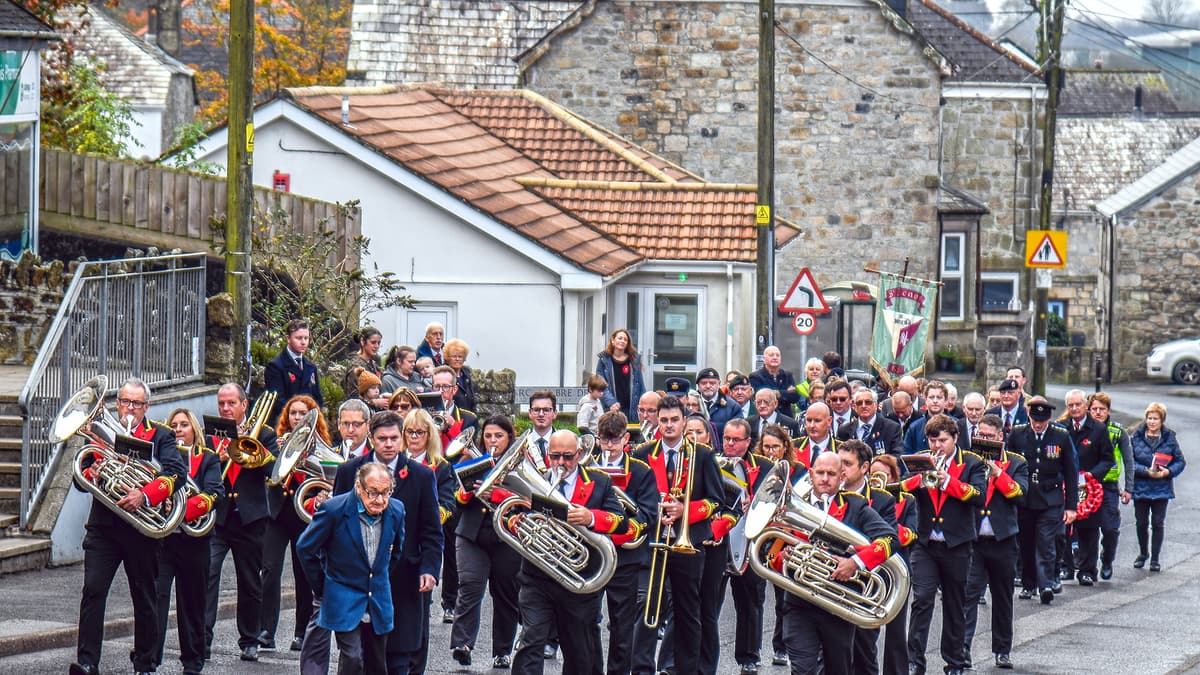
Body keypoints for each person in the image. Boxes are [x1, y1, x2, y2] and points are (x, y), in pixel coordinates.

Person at [311, 410, 443, 675]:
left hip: (404, 576)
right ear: (371, 438)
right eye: (382, 438)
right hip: (356, 581)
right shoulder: (350, 471)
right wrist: (329, 576)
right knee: (356, 656)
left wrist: (429, 569)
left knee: (399, 657)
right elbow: (335, 524)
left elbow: (431, 530)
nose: (389, 444)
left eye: (395, 438)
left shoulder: (421, 475)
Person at [71, 378, 186, 675]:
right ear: (117, 403)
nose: (129, 408)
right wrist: (92, 471)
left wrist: (145, 494)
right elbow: (79, 478)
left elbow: (176, 474)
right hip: (104, 528)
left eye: (136, 403)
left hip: (140, 530)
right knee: (93, 591)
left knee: (144, 595)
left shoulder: (161, 435)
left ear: (146, 406)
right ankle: (87, 662)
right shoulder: (100, 434)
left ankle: (145, 662)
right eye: (124, 401)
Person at [511, 429, 629, 675]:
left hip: (579, 582)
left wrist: (590, 517)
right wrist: (517, 523)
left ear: (580, 454)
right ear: (547, 454)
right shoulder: (535, 480)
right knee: (530, 640)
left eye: (567, 457)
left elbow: (621, 521)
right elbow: (511, 513)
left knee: (579, 651)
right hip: (537, 578)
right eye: (555, 457)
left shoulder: (599, 482)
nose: (561, 463)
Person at [773, 452, 898, 675]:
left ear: (842, 477)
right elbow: (770, 553)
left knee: (838, 669)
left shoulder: (856, 506)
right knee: (803, 670)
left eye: (831, 474)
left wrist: (856, 563)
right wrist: (786, 558)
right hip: (799, 604)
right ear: (811, 474)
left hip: (838, 607)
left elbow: (890, 539)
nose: (824, 478)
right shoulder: (791, 506)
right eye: (820, 473)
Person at [630, 395, 724, 675]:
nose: (669, 425)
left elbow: (715, 500)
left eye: (674, 420)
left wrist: (684, 510)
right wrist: (653, 510)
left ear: (684, 421)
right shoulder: (643, 453)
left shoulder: (703, 454)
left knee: (687, 612)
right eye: (664, 420)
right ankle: (642, 668)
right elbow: (632, 498)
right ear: (656, 421)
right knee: (646, 608)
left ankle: (686, 669)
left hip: (688, 542)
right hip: (652, 543)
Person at [297, 461, 406, 675]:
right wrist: (323, 585)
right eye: (373, 493)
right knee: (353, 657)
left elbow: (396, 552)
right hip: (342, 595)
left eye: (386, 492)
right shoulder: (334, 509)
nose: (380, 500)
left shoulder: (397, 510)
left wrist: (378, 578)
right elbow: (305, 548)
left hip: (378, 597)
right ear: (358, 487)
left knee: (377, 664)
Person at [900, 414, 986, 675]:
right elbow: (902, 488)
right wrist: (921, 476)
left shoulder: (972, 462)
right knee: (922, 599)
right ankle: (915, 660)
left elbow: (978, 496)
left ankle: (955, 660)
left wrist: (947, 481)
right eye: (933, 440)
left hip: (957, 544)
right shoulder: (920, 460)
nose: (937, 446)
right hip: (925, 542)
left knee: (954, 603)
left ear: (955, 438)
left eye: (943, 441)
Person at [204, 383, 279, 662]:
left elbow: (274, 471)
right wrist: (217, 458)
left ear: (244, 405)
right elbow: (200, 467)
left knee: (249, 581)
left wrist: (253, 448)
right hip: (219, 516)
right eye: (221, 403)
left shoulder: (266, 433)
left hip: (251, 518)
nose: (225, 408)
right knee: (207, 574)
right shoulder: (211, 434)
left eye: (231, 403)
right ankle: (203, 638)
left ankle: (249, 639)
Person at [448, 416, 523, 669]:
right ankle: (462, 644)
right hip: (471, 534)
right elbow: (457, 500)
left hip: (506, 536)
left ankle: (502, 650)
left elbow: (526, 499)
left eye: (498, 436)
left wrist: (497, 493)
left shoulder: (519, 465)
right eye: (489, 436)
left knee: (505, 593)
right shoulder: (471, 459)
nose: (492, 441)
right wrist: (467, 489)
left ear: (509, 438)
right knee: (469, 586)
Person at [153, 408, 223, 675]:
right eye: (174, 425)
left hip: (195, 542)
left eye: (184, 424)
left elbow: (214, 492)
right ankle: (149, 657)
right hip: (164, 540)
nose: (179, 429)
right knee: (155, 599)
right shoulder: (160, 457)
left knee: (192, 604)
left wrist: (180, 509)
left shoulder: (207, 458)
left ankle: (193, 661)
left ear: (194, 429)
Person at [591, 411, 658, 675]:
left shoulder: (641, 471)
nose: (609, 446)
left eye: (614, 440)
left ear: (626, 438)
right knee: (587, 619)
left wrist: (624, 529)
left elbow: (649, 513)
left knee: (622, 623)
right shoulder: (588, 467)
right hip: (594, 553)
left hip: (625, 557)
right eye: (604, 440)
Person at [260, 396, 328, 653]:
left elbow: (319, 479)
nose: (297, 418)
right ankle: (266, 630)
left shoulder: (320, 446)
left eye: (302, 414)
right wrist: (279, 455)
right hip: (278, 514)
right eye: (293, 414)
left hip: (304, 514)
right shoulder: (278, 443)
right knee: (269, 570)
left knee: (304, 575)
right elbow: (271, 477)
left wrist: (302, 457)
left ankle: (301, 632)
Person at [962, 415, 1028, 670]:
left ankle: (1002, 650)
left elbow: (1020, 496)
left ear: (1000, 437)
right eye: (981, 436)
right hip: (975, 540)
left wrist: (998, 473)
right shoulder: (969, 462)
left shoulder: (1016, 463)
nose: (984, 441)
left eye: (989, 437)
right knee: (968, 595)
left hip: (1003, 539)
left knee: (1002, 598)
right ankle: (964, 648)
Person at [713, 418, 770, 674]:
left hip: (749, 541)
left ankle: (749, 656)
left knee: (750, 602)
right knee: (709, 603)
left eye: (736, 440)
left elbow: (776, 504)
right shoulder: (713, 463)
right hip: (718, 540)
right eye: (726, 438)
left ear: (748, 442)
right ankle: (706, 654)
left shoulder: (766, 467)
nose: (730, 444)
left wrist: (755, 507)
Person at [836, 439, 897, 675]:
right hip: (830, 580)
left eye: (847, 464)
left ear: (864, 468)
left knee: (863, 654)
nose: (841, 469)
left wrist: (857, 554)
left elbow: (890, 540)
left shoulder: (882, 500)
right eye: (838, 462)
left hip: (866, 586)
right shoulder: (825, 493)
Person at [1010, 397, 1077, 604]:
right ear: (1029, 416)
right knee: (1027, 543)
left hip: (1050, 498)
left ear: (1049, 418)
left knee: (1046, 542)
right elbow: (1009, 464)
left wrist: (1071, 506)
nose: (1038, 424)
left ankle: (1046, 583)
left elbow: (1070, 472)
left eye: (1042, 420)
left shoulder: (1061, 436)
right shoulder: (1018, 433)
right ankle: (1029, 584)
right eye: (1035, 419)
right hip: (1026, 498)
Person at [402, 406, 461, 638]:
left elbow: (448, 504)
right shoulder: (394, 462)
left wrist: (429, 515)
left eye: (420, 432)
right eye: (410, 432)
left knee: (418, 612)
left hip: (422, 543)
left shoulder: (441, 466)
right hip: (394, 542)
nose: (414, 437)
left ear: (429, 435)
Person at [1061, 388, 1115, 586]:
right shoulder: (1061, 427)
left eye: (1078, 404)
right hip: (1066, 485)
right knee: (1065, 527)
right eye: (1071, 405)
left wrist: (1093, 474)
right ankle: (1065, 567)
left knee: (1089, 529)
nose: (1075, 408)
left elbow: (1108, 460)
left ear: (1086, 405)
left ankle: (1087, 570)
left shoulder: (1099, 430)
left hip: (1089, 487)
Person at [870, 454, 917, 675]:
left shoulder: (907, 501)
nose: (877, 480)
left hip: (897, 570)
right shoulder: (863, 499)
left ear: (893, 478)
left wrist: (883, 519)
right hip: (870, 569)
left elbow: (908, 536)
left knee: (897, 630)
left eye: (883, 476)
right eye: (873, 475)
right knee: (866, 629)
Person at [1130, 402, 1185, 571]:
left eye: (1155, 419)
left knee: (1158, 523)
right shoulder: (1136, 438)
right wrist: (1146, 471)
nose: (1152, 422)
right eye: (1149, 418)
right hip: (1141, 486)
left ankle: (1155, 558)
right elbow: (1130, 462)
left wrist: (1167, 472)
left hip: (1161, 487)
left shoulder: (1169, 438)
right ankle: (1143, 552)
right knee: (1141, 523)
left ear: (1162, 421)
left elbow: (1180, 461)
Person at [1088, 392, 1135, 579]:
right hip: (1088, 484)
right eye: (1095, 409)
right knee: (1087, 529)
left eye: (1102, 409)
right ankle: (1087, 566)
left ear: (1108, 411)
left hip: (1109, 486)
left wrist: (1129, 488)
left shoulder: (1117, 431)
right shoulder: (1084, 429)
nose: (1098, 413)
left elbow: (1128, 460)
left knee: (1110, 528)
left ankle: (1107, 559)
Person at [264, 319, 323, 425]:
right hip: (284, 424)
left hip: (308, 424)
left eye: (306, 338)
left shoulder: (311, 367)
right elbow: (278, 402)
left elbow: (317, 398)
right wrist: (299, 415)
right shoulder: (275, 366)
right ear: (288, 339)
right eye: (299, 338)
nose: (303, 342)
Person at [596, 328, 647, 422]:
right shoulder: (604, 360)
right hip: (612, 408)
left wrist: (645, 404)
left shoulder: (634, 360)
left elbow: (640, 384)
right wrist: (611, 402)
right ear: (613, 340)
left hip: (632, 409)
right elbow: (600, 385)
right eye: (620, 338)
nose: (622, 341)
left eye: (625, 339)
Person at [838, 387, 903, 458]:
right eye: (859, 403)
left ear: (875, 405)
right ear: (855, 407)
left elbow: (897, 456)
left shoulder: (892, 428)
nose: (863, 406)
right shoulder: (844, 430)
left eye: (868, 402)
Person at [749, 345, 801, 417]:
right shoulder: (755, 376)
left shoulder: (787, 375)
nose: (775, 357)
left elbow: (795, 397)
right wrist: (785, 392)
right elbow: (761, 396)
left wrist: (777, 393)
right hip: (766, 416)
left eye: (777, 355)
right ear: (764, 359)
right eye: (771, 355)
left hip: (786, 417)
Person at [903, 380, 950, 454]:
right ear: (925, 400)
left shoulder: (956, 425)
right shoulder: (914, 427)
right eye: (931, 397)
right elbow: (905, 456)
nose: (935, 401)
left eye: (939, 397)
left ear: (946, 400)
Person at [343, 326, 384, 402]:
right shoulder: (355, 366)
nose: (377, 346)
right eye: (373, 342)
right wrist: (373, 402)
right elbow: (353, 397)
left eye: (379, 343)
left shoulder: (373, 364)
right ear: (362, 341)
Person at [792, 402, 838, 470]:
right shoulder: (792, 447)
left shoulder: (840, 450)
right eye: (809, 420)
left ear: (829, 421)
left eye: (817, 421)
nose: (812, 425)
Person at [443, 338, 477, 412]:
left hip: (468, 417)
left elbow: (472, 400)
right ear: (448, 358)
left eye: (460, 356)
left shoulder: (466, 374)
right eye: (454, 356)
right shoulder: (444, 374)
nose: (457, 359)